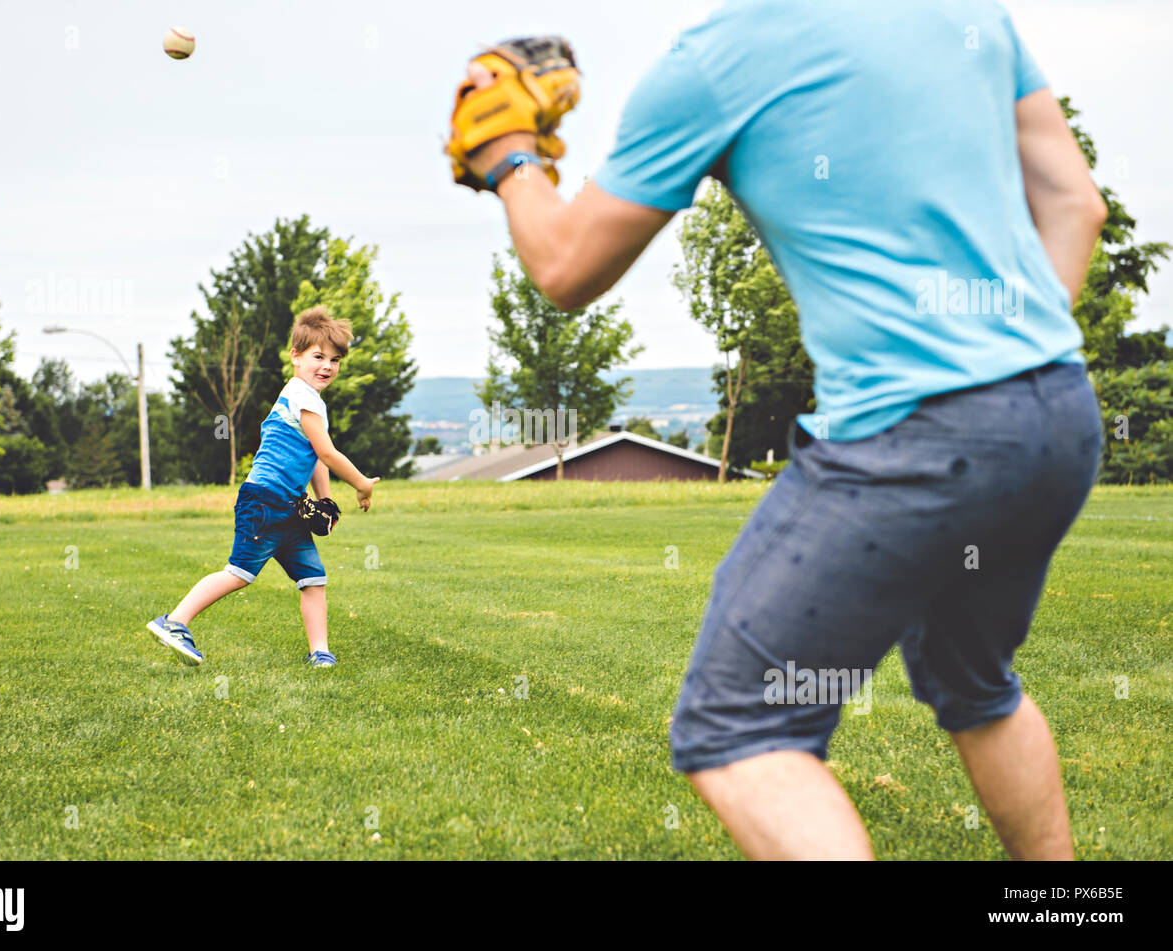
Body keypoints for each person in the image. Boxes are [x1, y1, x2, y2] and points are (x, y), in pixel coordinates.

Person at [454, 0, 1108, 859]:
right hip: (1056, 410)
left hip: (908, 432)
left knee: (738, 727)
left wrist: (511, 158)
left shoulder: (717, 59)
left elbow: (567, 267)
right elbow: (1076, 205)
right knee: (973, 678)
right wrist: (1002, 370)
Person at [147, 307, 379, 668]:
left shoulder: (308, 401)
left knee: (313, 578)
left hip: (290, 507)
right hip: (264, 502)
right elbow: (328, 453)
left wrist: (326, 500)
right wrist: (362, 485)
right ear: (296, 356)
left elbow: (314, 458)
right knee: (239, 573)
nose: (327, 366)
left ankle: (320, 651)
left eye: (335, 360)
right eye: (318, 356)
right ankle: (174, 622)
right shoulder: (303, 397)